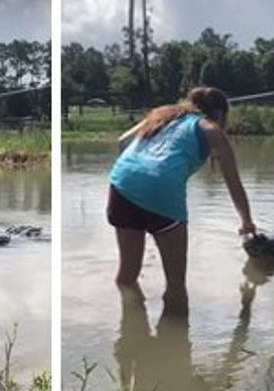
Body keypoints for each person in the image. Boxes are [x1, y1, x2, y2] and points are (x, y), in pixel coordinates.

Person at [107, 86, 256, 311]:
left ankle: (132, 328)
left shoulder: (163, 114)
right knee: (176, 286)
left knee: (127, 277)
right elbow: (234, 185)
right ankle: (176, 332)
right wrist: (246, 221)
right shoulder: (211, 130)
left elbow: (122, 142)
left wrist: (137, 179)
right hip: (162, 188)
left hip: (122, 184)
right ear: (219, 114)